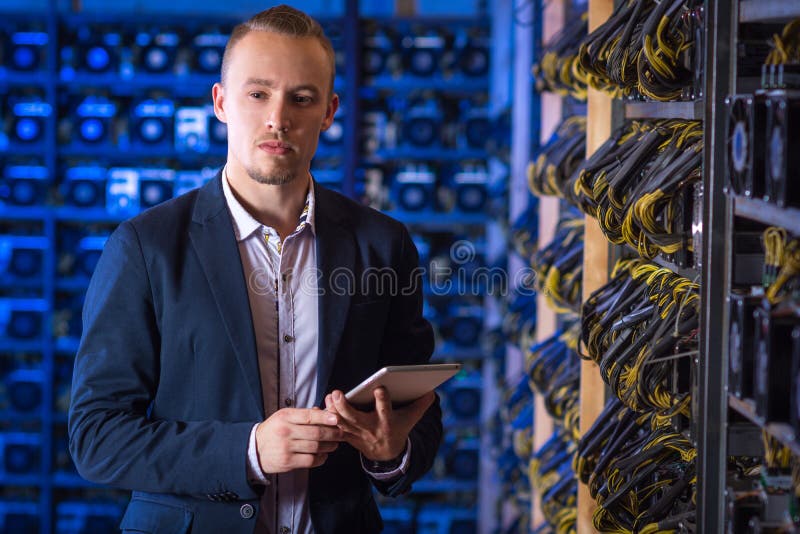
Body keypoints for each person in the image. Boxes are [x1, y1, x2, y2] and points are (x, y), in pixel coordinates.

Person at [68, 5, 442, 533]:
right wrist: (249, 451)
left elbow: (418, 412)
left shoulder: (382, 245)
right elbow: (96, 437)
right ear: (221, 103)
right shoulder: (145, 247)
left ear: (329, 111)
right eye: (258, 93)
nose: (278, 118)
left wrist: (391, 450)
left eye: (302, 98)